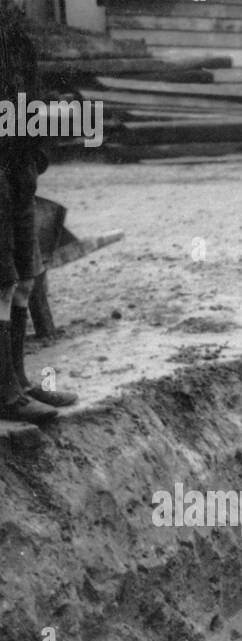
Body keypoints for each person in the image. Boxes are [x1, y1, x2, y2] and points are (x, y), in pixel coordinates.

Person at [0, 0, 75, 423]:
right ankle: (5, 392)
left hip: (20, 168)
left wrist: (37, 143)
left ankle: (20, 380)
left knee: (26, 277)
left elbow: (31, 95)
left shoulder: (17, 35)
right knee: (2, 284)